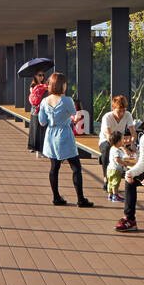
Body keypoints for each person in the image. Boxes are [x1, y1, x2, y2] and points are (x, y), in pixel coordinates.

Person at [37, 72, 94, 208]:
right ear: (61, 85)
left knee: (54, 168)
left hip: (51, 135)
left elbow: (42, 122)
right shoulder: (67, 100)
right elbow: (75, 116)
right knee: (76, 168)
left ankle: (56, 197)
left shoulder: (45, 101)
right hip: (64, 135)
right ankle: (81, 199)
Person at [98, 95, 134, 192]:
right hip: (107, 140)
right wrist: (123, 148)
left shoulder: (127, 115)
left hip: (120, 141)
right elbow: (110, 137)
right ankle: (106, 179)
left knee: (131, 153)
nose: (121, 113)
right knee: (107, 150)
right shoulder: (107, 117)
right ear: (113, 108)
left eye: (123, 110)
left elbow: (132, 131)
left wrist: (133, 143)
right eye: (119, 111)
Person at [104, 128, 134, 202]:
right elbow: (117, 159)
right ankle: (115, 196)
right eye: (122, 139)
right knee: (115, 183)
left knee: (110, 182)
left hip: (110, 169)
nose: (123, 141)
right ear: (117, 142)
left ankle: (110, 195)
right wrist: (125, 163)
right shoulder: (116, 150)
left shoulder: (112, 148)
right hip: (115, 169)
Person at [27, 70, 49, 154]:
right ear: (35, 76)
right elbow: (34, 96)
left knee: (37, 128)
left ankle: (35, 147)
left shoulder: (44, 86)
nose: (42, 77)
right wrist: (41, 87)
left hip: (38, 109)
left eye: (43, 75)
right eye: (39, 75)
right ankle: (35, 147)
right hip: (37, 108)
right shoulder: (34, 86)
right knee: (36, 128)